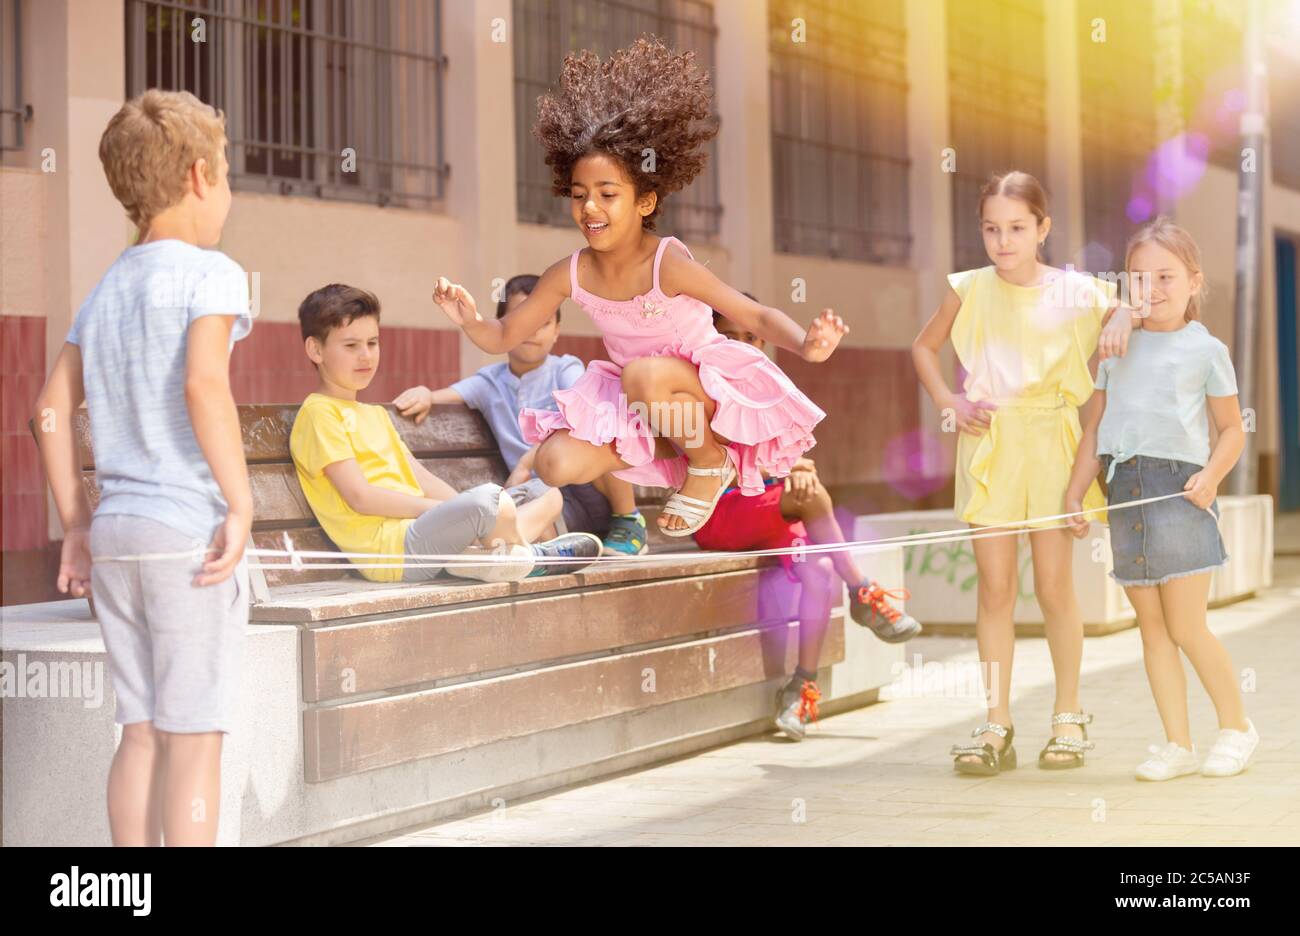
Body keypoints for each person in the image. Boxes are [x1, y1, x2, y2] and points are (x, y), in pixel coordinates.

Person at [428, 38, 846, 540]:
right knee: (556, 461)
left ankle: (711, 462)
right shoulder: (571, 273)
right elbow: (502, 336)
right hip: (644, 402)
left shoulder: (667, 262)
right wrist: (470, 319)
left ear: (645, 201)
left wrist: (807, 344)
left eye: (608, 195)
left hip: (702, 391)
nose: (590, 208)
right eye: (579, 195)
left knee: (645, 373)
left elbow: (752, 317)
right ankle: (687, 450)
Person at [32, 89, 253, 845]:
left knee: (142, 729)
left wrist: (74, 524)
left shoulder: (105, 288)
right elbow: (203, 384)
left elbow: (48, 412)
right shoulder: (211, 273)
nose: (228, 192)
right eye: (226, 174)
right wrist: (242, 504)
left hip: (119, 537)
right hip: (185, 537)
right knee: (195, 735)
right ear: (198, 176)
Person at [912, 170, 1137, 774]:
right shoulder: (969, 288)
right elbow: (922, 348)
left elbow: (1130, 303)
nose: (1003, 241)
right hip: (992, 445)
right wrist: (950, 404)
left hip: (1056, 444)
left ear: (1043, 228)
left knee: (1056, 588)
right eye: (991, 228)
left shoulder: (1076, 289)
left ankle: (1068, 715)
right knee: (995, 590)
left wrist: (1121, 317)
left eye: (1016, 228)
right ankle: (996, 723)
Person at [1066, 217, 1258, 780]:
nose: (1152, 289)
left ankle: (1237, 728)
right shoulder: (1115, 345)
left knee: (1186, 626)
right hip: (1124, 489)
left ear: (1194, 281)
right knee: (1151, 629)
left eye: (1166, 277)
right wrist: (1078, 493)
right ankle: (1178, 743)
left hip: (1181, 491)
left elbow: (1232, 429)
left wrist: (1213, 476)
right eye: (1138, 278)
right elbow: (1094, 431)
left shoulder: (1207, 349)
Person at [696, 305, 922, 741]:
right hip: (719, 514)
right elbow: (737, 454)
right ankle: (863, 593)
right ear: (710, 339)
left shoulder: (768, 389)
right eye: (730, 336)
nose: (743, 346)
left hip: (767, 512)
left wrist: (798, 467)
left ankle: (801, 687)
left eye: (752, 338)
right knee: (812, 496)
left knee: (819, 569)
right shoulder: (699, 387)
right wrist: (791, 467)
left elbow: (786, 455)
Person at [289, 284, 602, 584]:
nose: (366, 356)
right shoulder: (319, 414)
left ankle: (494, 557)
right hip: (393, 551)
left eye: (372, 343)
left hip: (427, 530)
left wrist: (464, 513)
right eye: (351, 346)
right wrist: (460, 512)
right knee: (489, 502)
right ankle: (526, 556)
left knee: (546, 492)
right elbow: (361, 498)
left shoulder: (374, 415)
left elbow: (422, 478)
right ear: (315, 349)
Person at [394, 273, 648, 557]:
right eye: (522, 321)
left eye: (544, 323)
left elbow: (586, 413)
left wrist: (527, 462)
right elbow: (442, 395)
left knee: (602, 423)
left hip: (593, 489)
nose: (532, 331)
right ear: (501, 326)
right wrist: (425, 394)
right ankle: (545, 553)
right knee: (528, 511)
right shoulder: (489, 382)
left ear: (556, 332)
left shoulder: (565, 370)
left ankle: (629, 519)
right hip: (548, 503)